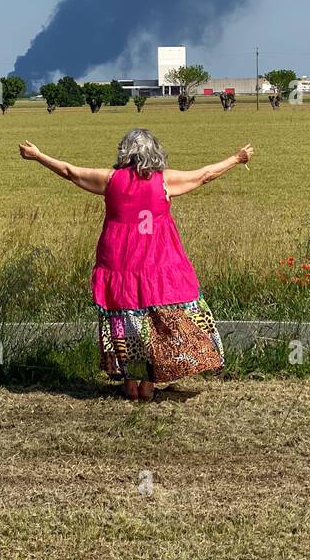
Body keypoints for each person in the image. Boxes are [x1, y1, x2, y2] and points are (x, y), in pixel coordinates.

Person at [18, 129, 254, 400]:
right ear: (155, 152)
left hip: (119, 262)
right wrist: (237, 158)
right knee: (157, 320)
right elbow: (204, 175)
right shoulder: (164, 180)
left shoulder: (110, 180)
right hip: (159, 263)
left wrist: (38, 156)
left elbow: (70, 172)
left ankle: (129, 382)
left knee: (124, 321)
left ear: (125, 152)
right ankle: (149, 382)